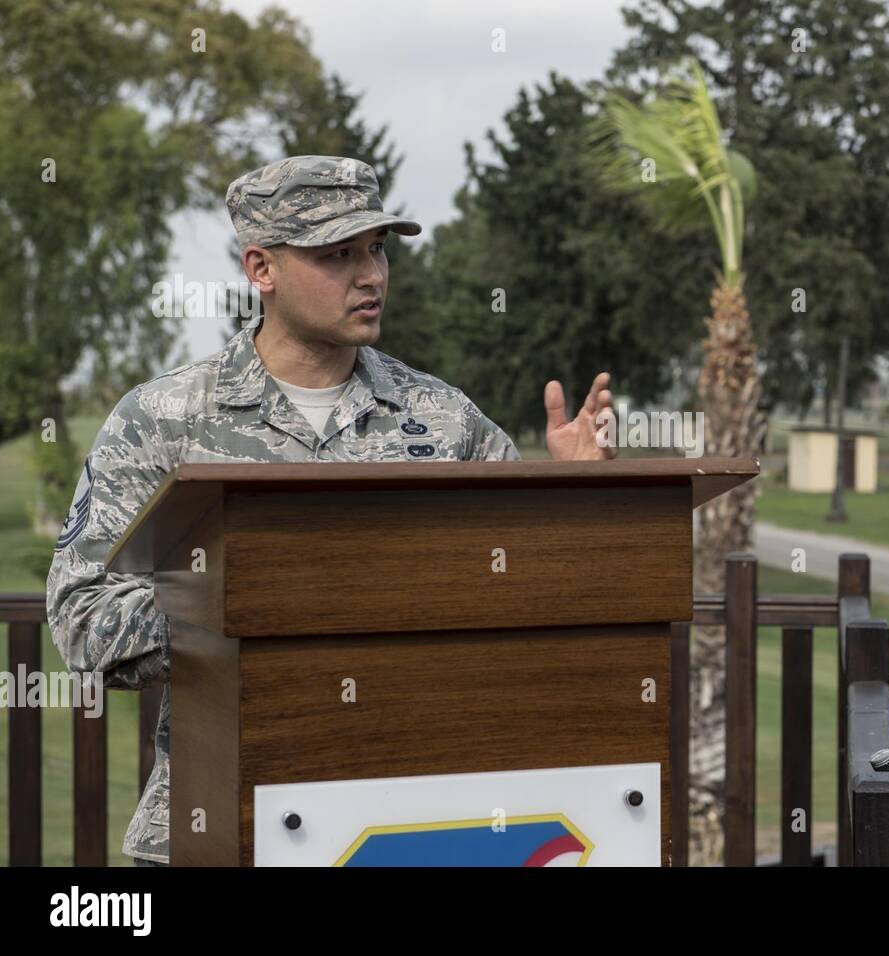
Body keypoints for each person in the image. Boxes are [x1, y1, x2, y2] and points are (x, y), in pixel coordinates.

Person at [45, 155, 616, 866]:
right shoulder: (162, 420)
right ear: (262, 268)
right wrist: (232, 604)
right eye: (336, 254)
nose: (371, 274)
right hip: (220, 827)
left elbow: (518, 589)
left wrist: (574, 505)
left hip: (413, 828)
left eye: (376, 248)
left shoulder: (443, 421)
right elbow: (81, 618)